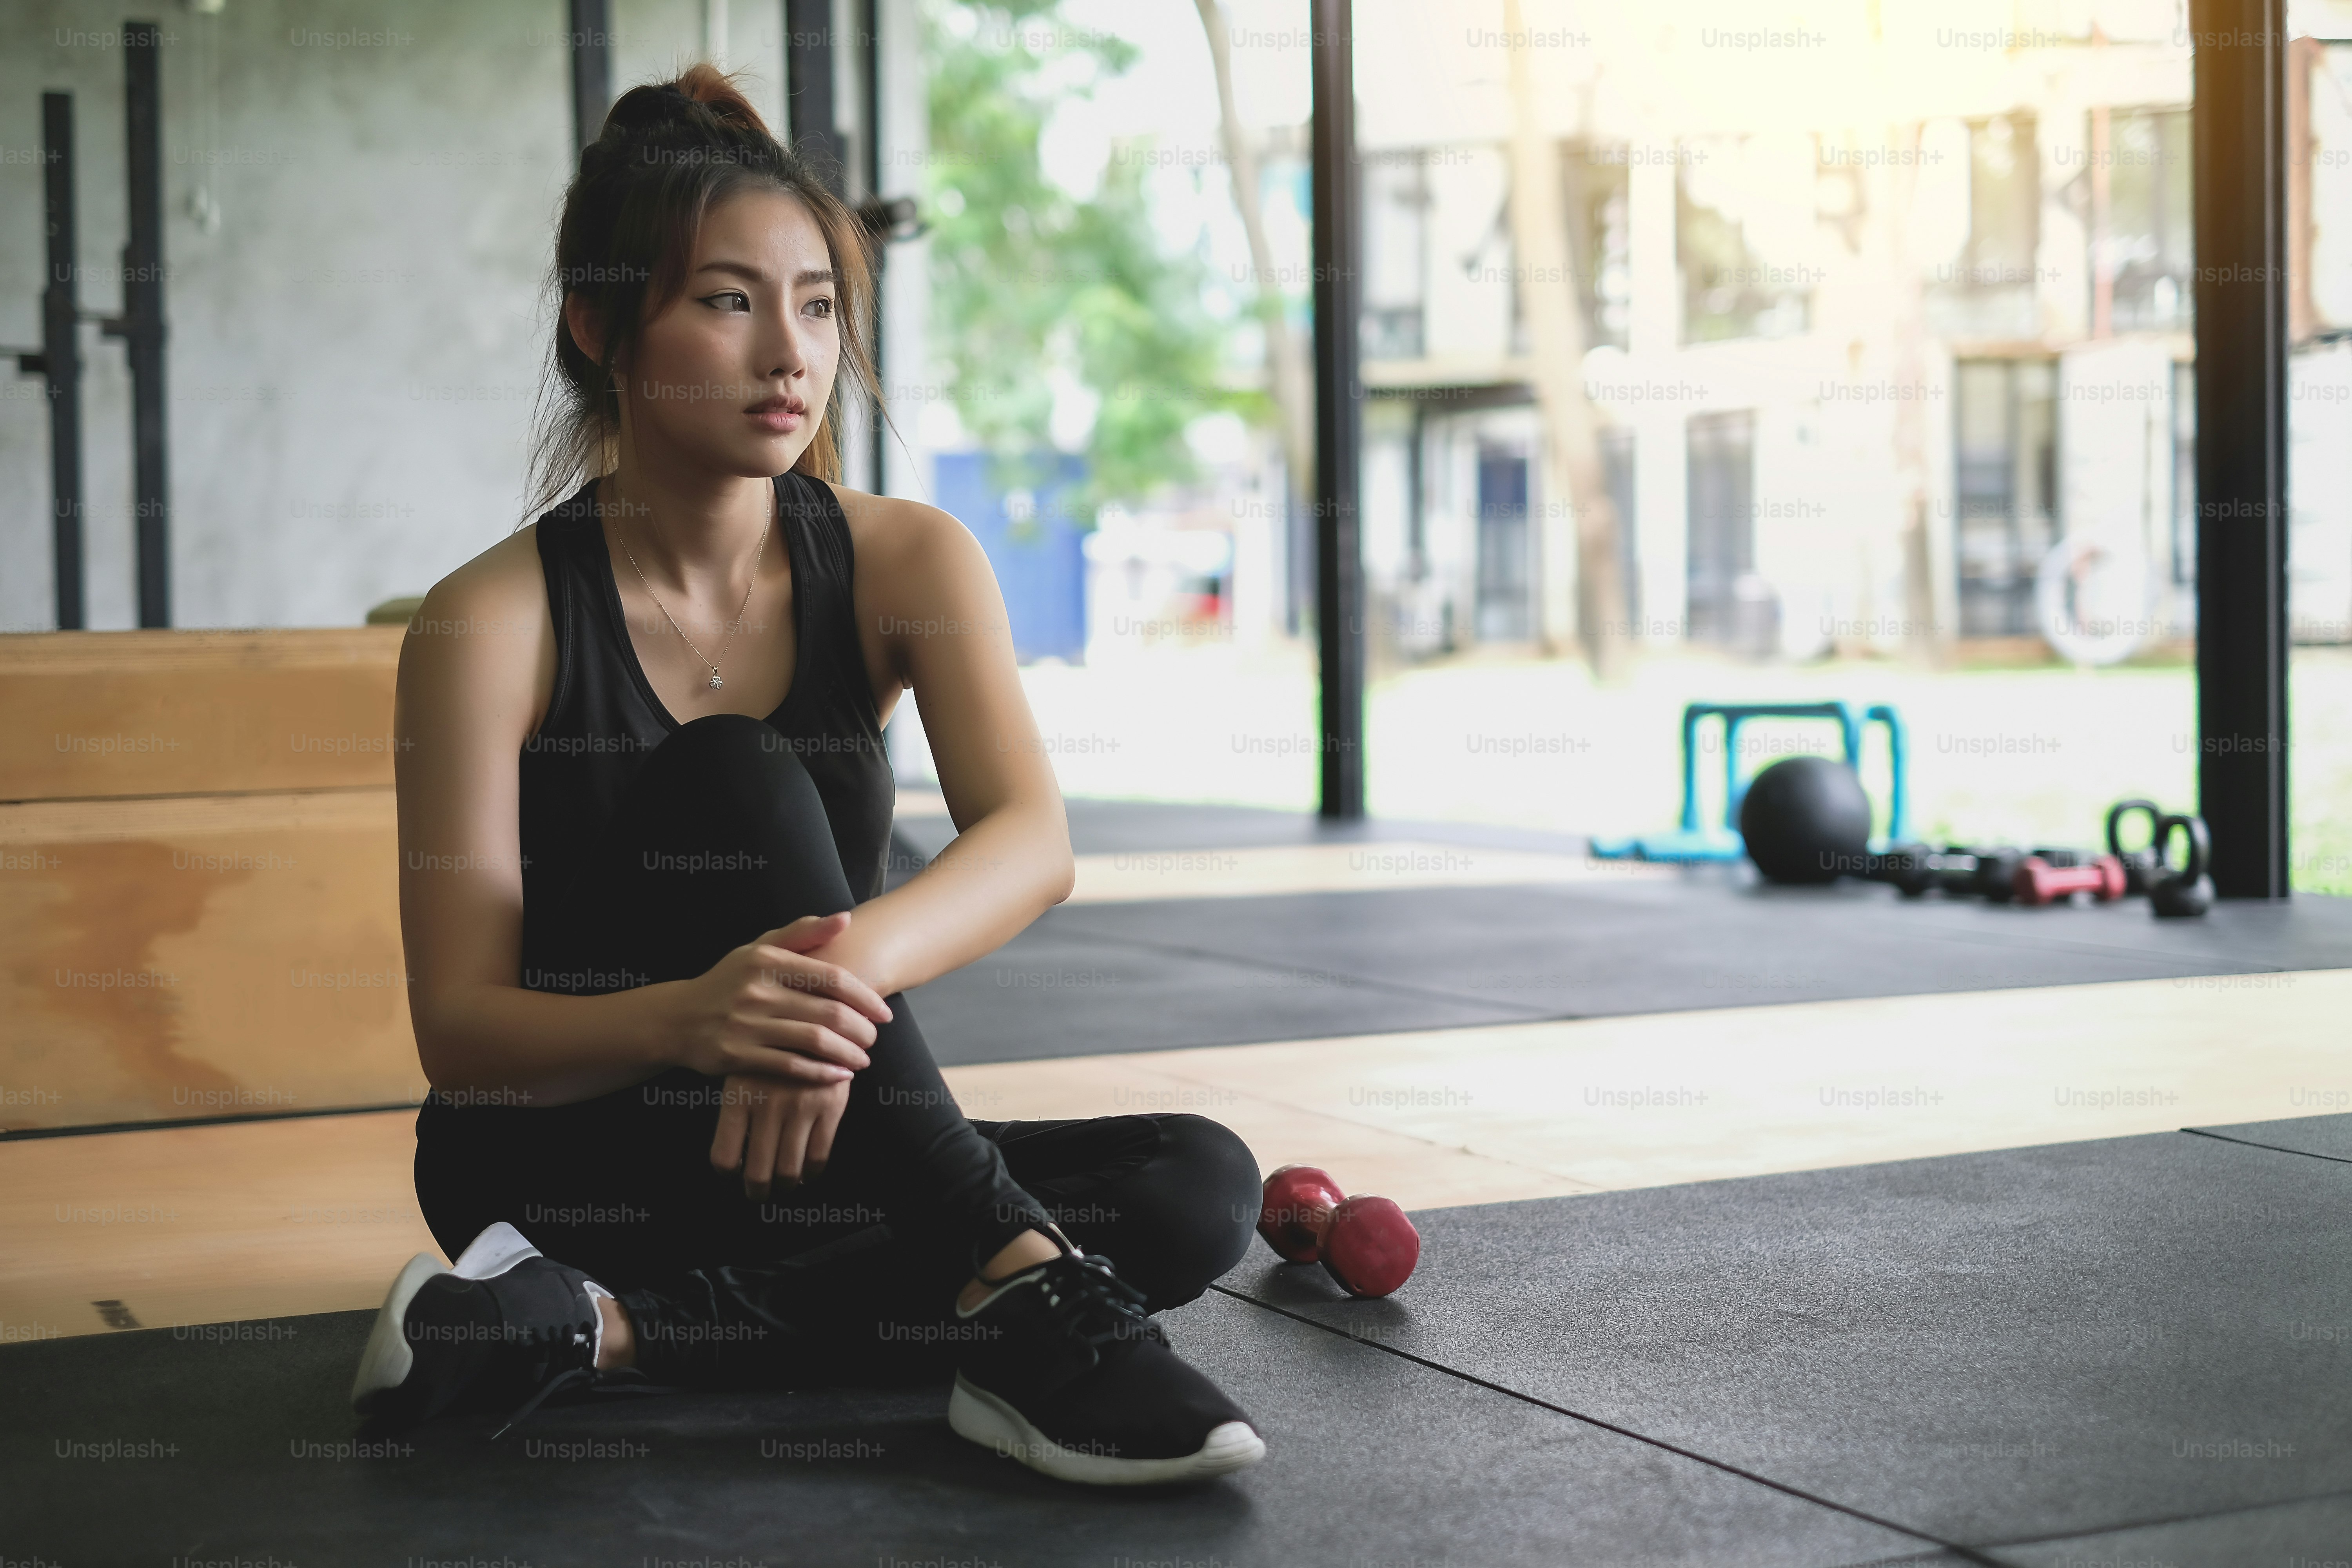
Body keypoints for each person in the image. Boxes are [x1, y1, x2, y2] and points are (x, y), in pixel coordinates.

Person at [348, 64, 1265, 1486]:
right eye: (728, 301)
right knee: (736, 774)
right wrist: (692, 1021)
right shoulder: (494, 620)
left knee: (1198, 1188)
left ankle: (597, 1334)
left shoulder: (908, 559)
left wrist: (827, 979)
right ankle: (1022, 1288)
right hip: (572, 1160)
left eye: (819, 303)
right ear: (600, 325)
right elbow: (461, 1032)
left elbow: (1031, 840)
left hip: (809, 1138)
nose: (791, 351)